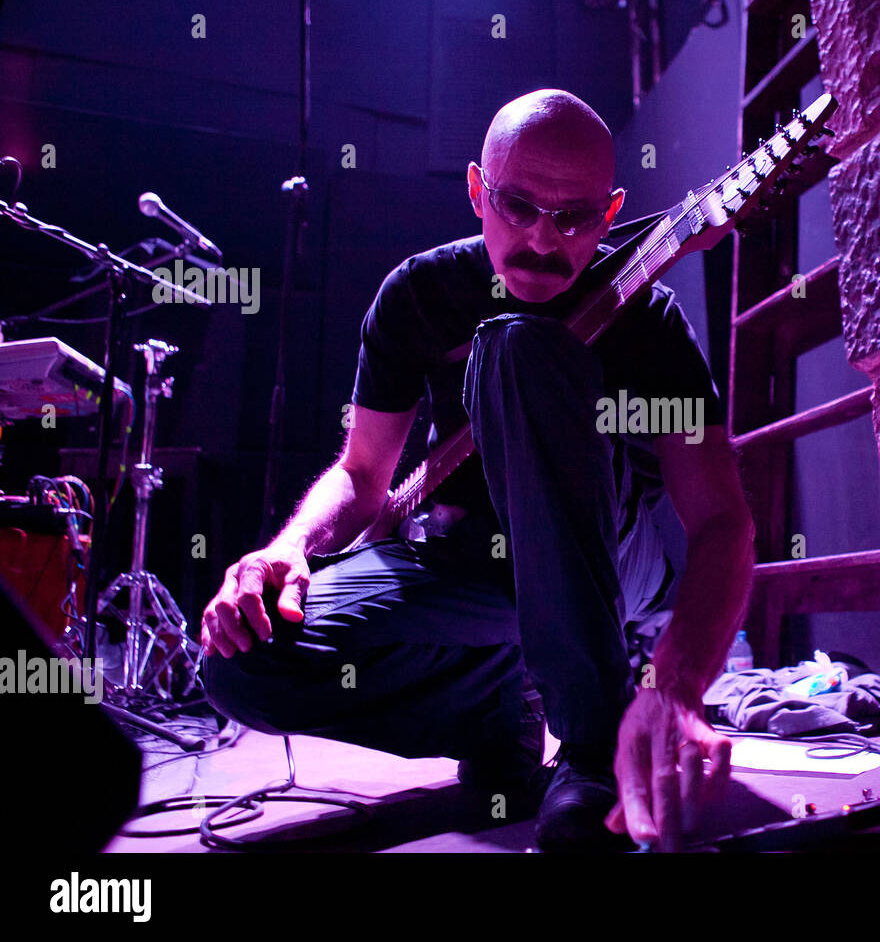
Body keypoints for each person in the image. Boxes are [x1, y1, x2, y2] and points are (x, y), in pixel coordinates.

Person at [199, 89, 755, 852]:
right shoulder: (419, 297)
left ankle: (592, 751)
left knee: (519, 347)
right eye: (518, 206)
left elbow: (721, 520)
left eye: (574, 218)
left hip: (609, 560)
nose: (542, 240)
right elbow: (363, 474)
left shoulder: (651, 323)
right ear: (476, 190)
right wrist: (288, 548)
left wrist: (678, 683)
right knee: (240, 664)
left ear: (611, 209)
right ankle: (501, 707)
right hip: (463, 567)